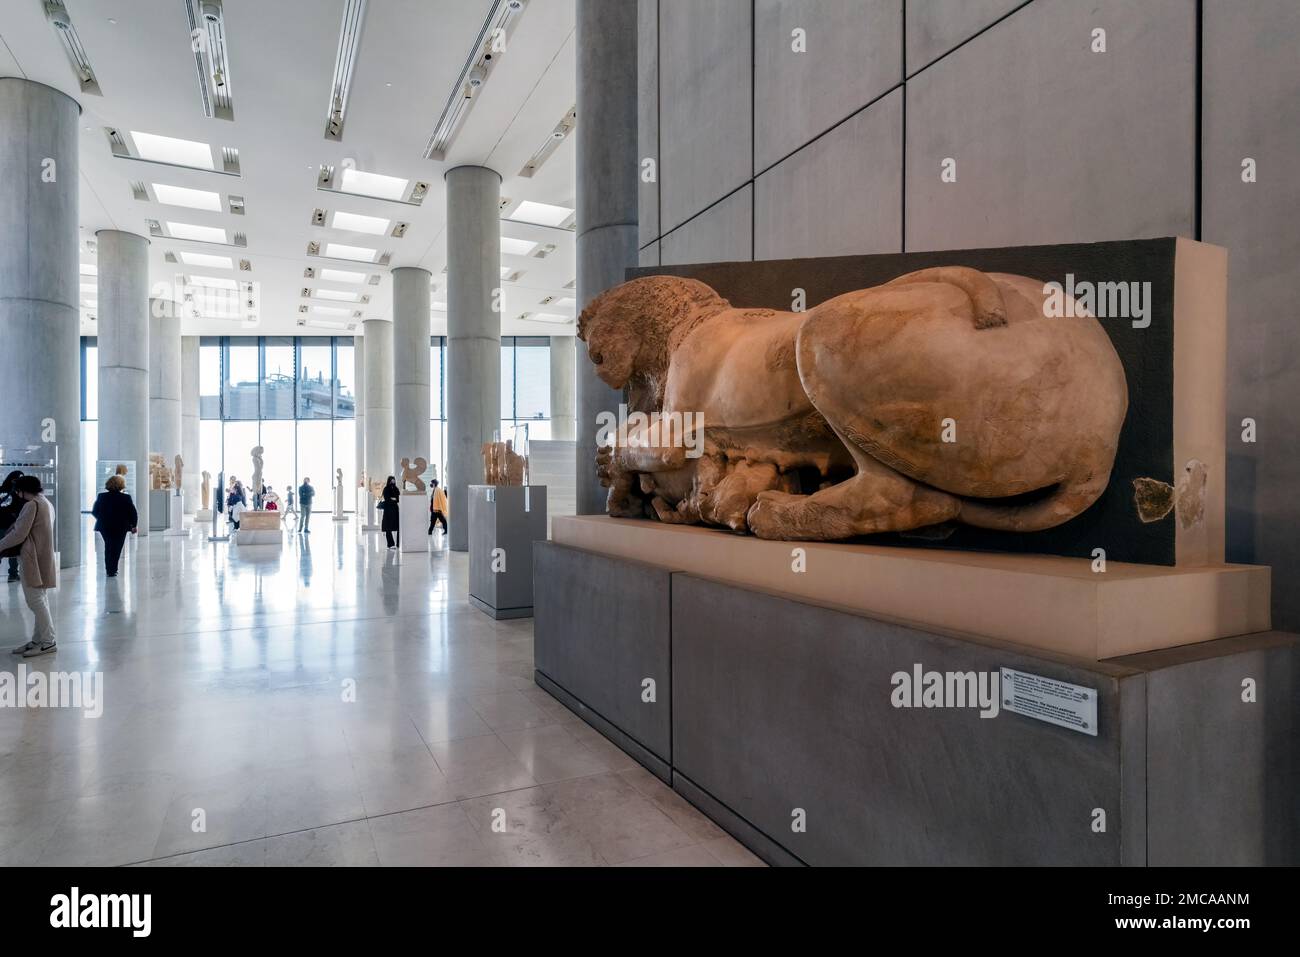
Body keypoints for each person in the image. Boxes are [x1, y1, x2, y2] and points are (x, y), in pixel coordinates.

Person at [0, 476, 58, 657]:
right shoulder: (46, 502)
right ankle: (39, 639)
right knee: (40, 599)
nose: (17, 494)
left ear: (23, 490)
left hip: (32, 558)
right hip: (43, 556)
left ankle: (48, 641)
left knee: (35, 600)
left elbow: (19, 533)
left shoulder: (31, 505)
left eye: (18, 490)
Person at [91, 474, 138, 577]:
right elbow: (133, 513)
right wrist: (134, 525)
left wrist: (102, 519)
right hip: (121, 527)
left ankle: (109, 569)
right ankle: (112, 569)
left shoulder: (101, 496)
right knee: (117, 548)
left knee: (108, 546)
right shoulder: (126, 497)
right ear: (122, 485)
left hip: (105, 526)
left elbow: (94, 511)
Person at [0, 470, 25, 583]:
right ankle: (13, 574)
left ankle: (13, 574)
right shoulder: (18, 493)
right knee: (13, 550)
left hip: (3, 525)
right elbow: (21, 510)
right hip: (11, 526)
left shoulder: (1, 489)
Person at [381, 475, 401, 548]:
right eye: (391, 480)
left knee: (399, 526)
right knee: (387, 527)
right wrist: (393, 499)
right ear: (389, 481)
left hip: (395, 510)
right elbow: (387, 499)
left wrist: (393, 499)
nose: (393, 481)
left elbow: (398, 498)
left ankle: (398, 543)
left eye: (394, 480)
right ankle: (390, 544)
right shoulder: (386, 489)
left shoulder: (396, 488)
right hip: (388, 510)